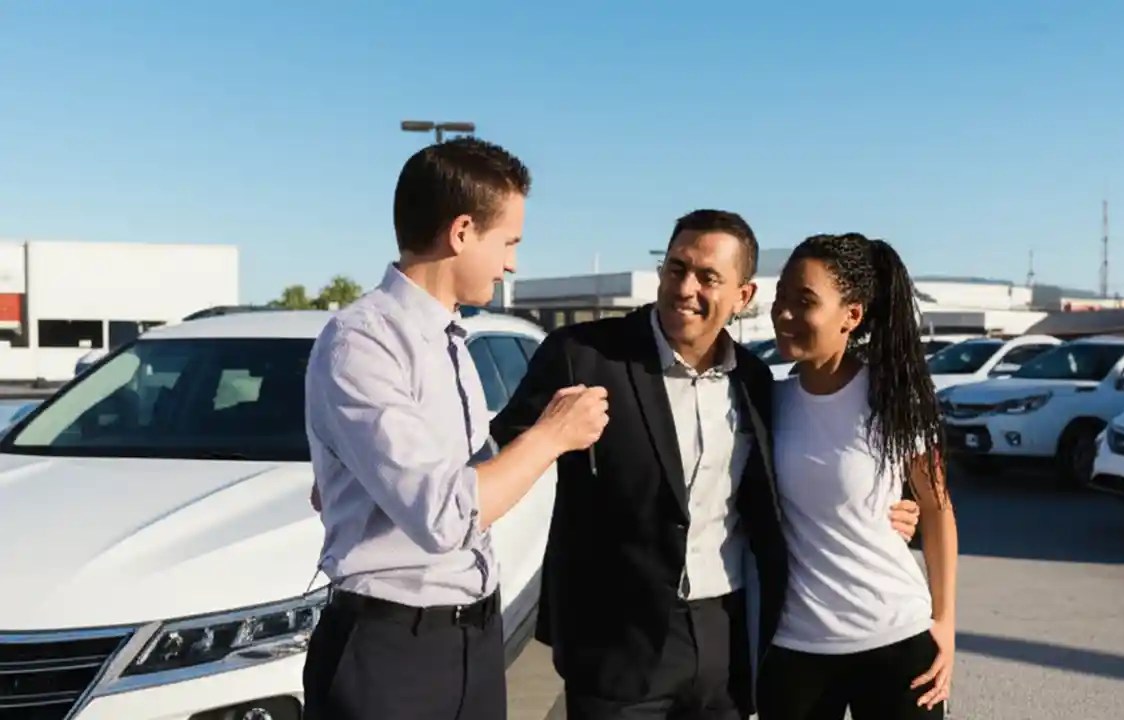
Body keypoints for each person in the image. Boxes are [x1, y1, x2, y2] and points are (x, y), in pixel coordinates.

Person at [491, 210, 922, 720]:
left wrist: (900, 511)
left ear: (742, 297)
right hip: (617, 646)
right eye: (676, 269)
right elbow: (507, 461)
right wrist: (550, 436)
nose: (685, 287)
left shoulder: (758, 383)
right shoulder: (582, 357)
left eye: (708, 277)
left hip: (726, 641)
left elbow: (819, 473)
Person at [301, 137, 610, 720]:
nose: (512, 262)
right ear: (462, 232)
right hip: (392, 654)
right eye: (508, 241)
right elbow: (446, 515)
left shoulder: (450, 339)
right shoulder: (362, 341)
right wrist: (550, 436)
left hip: (470, 638)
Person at [756, 233, 959, 720]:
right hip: (794, 647)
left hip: (896, 640)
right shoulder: (767, 402)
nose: (783, 313)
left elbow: (936, 508)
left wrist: (945, 622)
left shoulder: (893, 401)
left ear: (852, 314)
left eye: (803, 301)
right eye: (780, 297)